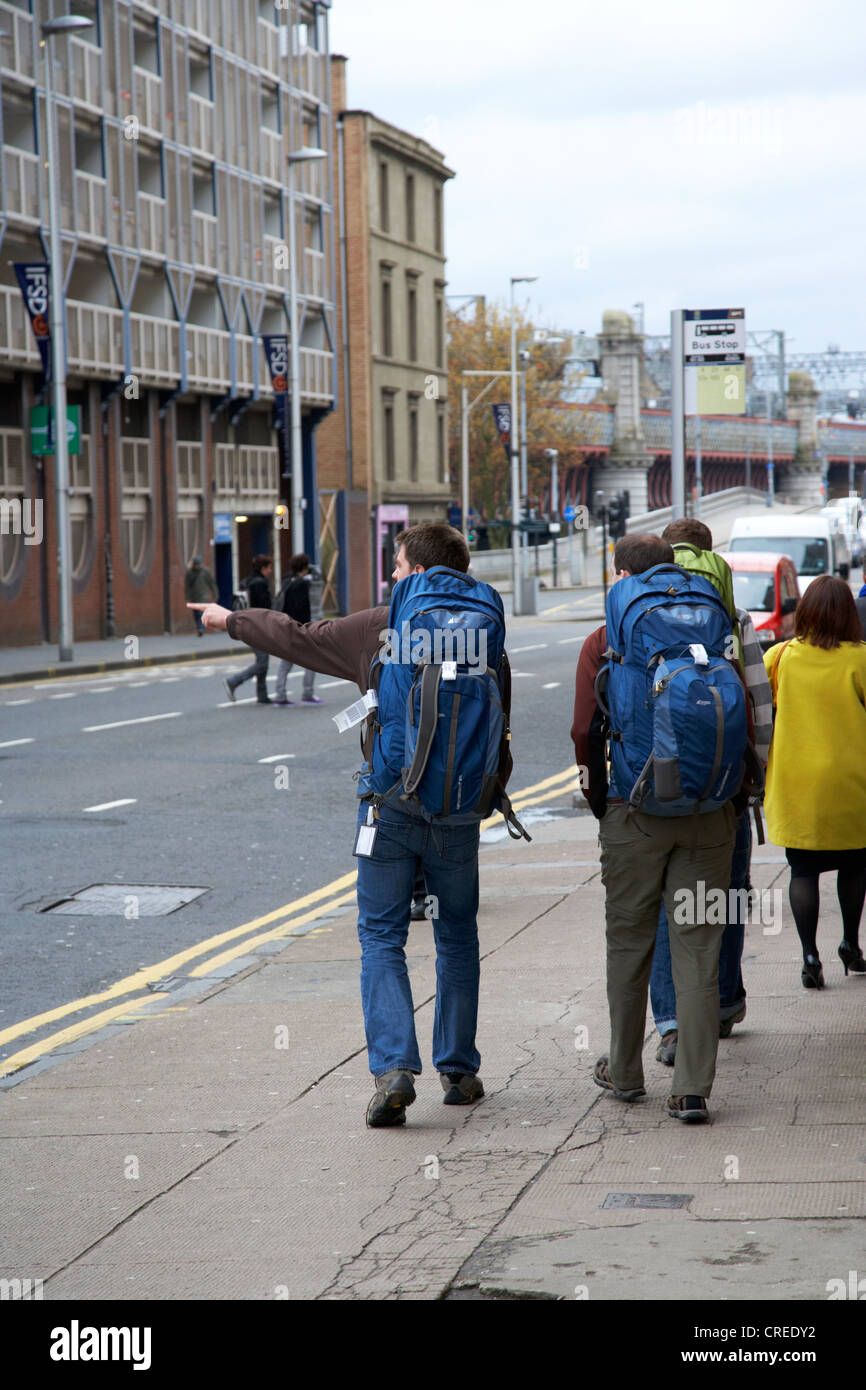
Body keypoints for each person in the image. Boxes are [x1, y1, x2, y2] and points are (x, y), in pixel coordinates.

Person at [189, 522, 514, 1127]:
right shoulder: (485, 623)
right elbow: (498, 718)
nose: (391, 576)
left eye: (395, 566)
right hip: (459, 811)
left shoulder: (382, 624)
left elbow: (296, 637)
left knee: (382, 937)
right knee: (458, 936)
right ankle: (459, 1070)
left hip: (389, 805)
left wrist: (227, 619)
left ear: (415, 570)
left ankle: (394, 1068)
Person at [571, 532, 739, 1124]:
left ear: (623, 576)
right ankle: (692, 1089)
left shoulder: (606, 637)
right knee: (698, 948)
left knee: (630, 943)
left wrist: (603, 804)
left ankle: (624, 1071)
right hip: (709, 810)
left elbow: (584, 732)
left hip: (634, 809)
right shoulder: (719, 623)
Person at [648, 518, 773, 1069]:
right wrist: (758, 776)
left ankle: (672, 1022)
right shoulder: (734, 616)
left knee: (663, 898)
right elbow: (760, 703)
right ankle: (724, 1001)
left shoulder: (642, 616)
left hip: (664, 780)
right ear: (710, 558)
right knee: (730, 890)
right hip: (729, 782)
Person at [763, 575, 866, 988]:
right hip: (852, 781)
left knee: (802, 871)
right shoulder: (861, 658)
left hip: (797, 783)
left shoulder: (781, 655)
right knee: (856, 866)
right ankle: (850, 944)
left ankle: (809, 955)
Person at [272, 554, 323, 706]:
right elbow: (302, 608)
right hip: (301, 628)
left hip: (287, 626)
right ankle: (308, 693)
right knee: (312, 661)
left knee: (285, 664)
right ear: (305, 567)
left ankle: (280, 696)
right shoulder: (304, 584)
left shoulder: (287, 581)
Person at [223, 555, 274, 705]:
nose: (271, 571)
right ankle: (233, 682)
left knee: (262, 660)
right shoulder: (259, 584)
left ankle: (262, 694)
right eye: (269, 567)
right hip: (258, 627)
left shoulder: (246, 581)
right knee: (263, 662)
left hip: (245, 625)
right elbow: (264, 609)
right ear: (263, 568)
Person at [184, 555, 217, 635]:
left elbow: (212, 584)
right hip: (194, 597)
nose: (197, 566)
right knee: (196, 613)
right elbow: (187, 586)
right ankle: (199, 627)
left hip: (204, 597)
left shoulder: (205, 572)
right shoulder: (189, 573)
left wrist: (215, 594)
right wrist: (187, 597)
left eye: (198, 564)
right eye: (196, 564)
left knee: (201, 613)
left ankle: (201, 628)